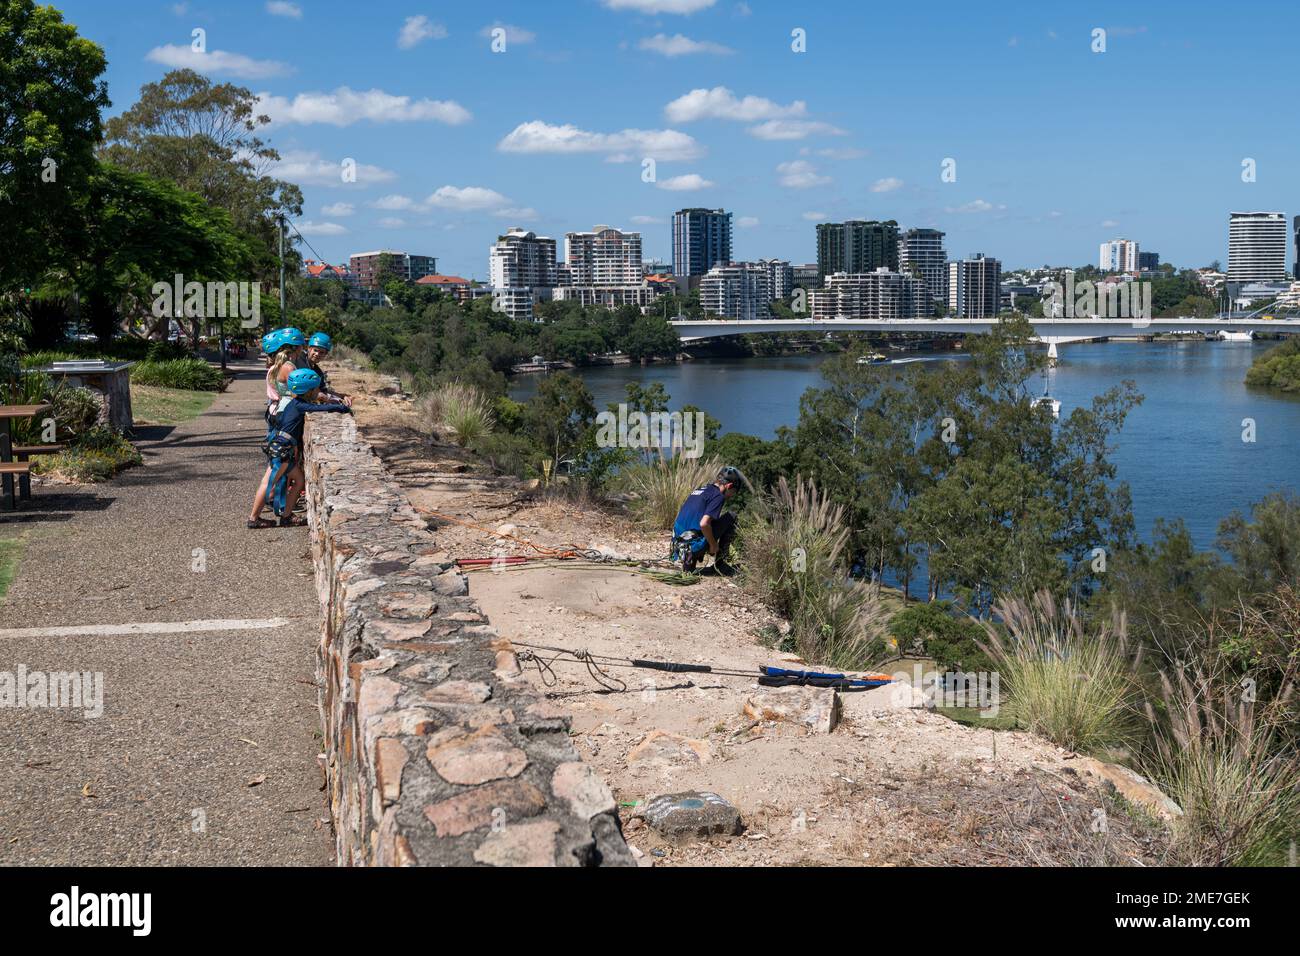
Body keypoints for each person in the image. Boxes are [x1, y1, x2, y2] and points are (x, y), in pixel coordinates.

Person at [247, 368, 351, 529]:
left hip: (282, 448)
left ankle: (287, 516)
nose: (318, 390)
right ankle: (253, 519)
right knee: (267, 484)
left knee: (299, 480)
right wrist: (341, 408)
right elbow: (320, 409)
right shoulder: (300, 405)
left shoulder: (293, 403)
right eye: (316, 388)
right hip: (282, 450)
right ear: (309, 390)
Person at [671, 465, 745, 573]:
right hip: (691, 546)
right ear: (729, 486)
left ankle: (689, 563)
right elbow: (704, 524)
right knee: (731, 516)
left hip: (678, 545)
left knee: (712, 522)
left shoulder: (701, 490)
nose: (731, 496)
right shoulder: (718, 496)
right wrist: (713, 545)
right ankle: (720, 564)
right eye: (733, 492)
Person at [303, 332, 351, 407]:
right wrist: (333, 399)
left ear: (325, 355)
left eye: (321, 352)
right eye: (315, 350)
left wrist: (341, 396)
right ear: (309, 349)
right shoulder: (300, 362)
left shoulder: (317, 371)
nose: (317, 354)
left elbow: (323, 390)